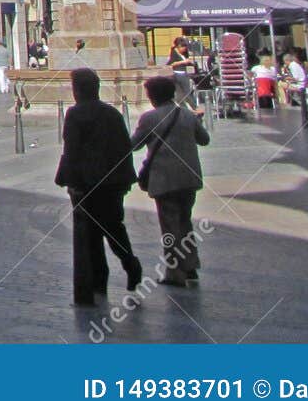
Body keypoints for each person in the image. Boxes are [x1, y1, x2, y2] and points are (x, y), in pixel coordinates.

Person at [55, 67, 142, 307]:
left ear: (78, 91)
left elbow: (71, 151)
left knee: (90, 235)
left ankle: (98, 282)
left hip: (87, 183)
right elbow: (124, 147)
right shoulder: (112, 113)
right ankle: (129, 263)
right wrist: (125, 179)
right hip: (112, 183)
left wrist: (68, 181)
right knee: (114, 226)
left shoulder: (75, 114)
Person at [130, 75, 211, 287]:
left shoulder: (150, 118)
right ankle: (190, 266)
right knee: (185, 222)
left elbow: (133, 145)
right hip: (188, 177)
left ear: (153, 97)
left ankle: (175, 272)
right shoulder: (186, 115)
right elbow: (204, 139)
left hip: (165, 180)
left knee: (170, 228)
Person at [166, 37, 196, 106]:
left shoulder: (184, 54)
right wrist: (184, 62)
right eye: (182, 47)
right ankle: (188, 108)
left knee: (186, 93)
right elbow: (172, 63)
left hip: (183, 74)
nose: (184, 49)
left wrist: (190, 63)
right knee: (181, 94)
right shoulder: (174, 52)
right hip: (178, 74)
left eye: (185, 47)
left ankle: (194, 107)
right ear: (178, 46)